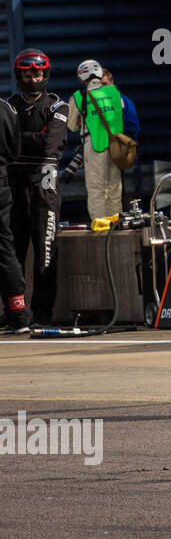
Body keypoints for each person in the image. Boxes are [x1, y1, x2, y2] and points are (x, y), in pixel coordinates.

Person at [6, 48, 68, 331]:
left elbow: (49, 146)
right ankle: (13, 312)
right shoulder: (9, 106)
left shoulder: (58, 106)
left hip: (44, 189)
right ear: (20, 74)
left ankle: (42, 314)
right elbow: (8, 145)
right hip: (13, 188)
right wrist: (33, 138)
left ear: (45, 73)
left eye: (38, 72)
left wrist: (21, 141)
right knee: (11, 253)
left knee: (45, 253)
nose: (33, 77)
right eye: (28, 72)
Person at [66, 59, 124, 221]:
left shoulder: (79, 96)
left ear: (81, 78)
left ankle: (101, 227)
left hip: (93, 146)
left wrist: (83, 119)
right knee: (114, 188)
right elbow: (120, 112)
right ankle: (115, 225)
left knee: (96, 189)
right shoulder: (113, 92)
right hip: (116, 146)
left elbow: (72, 126)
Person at [0, 95, 28, 335]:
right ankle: (18, 315)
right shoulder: (6, 108)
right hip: (1, 183)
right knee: (4, 247)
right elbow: (14, 150)